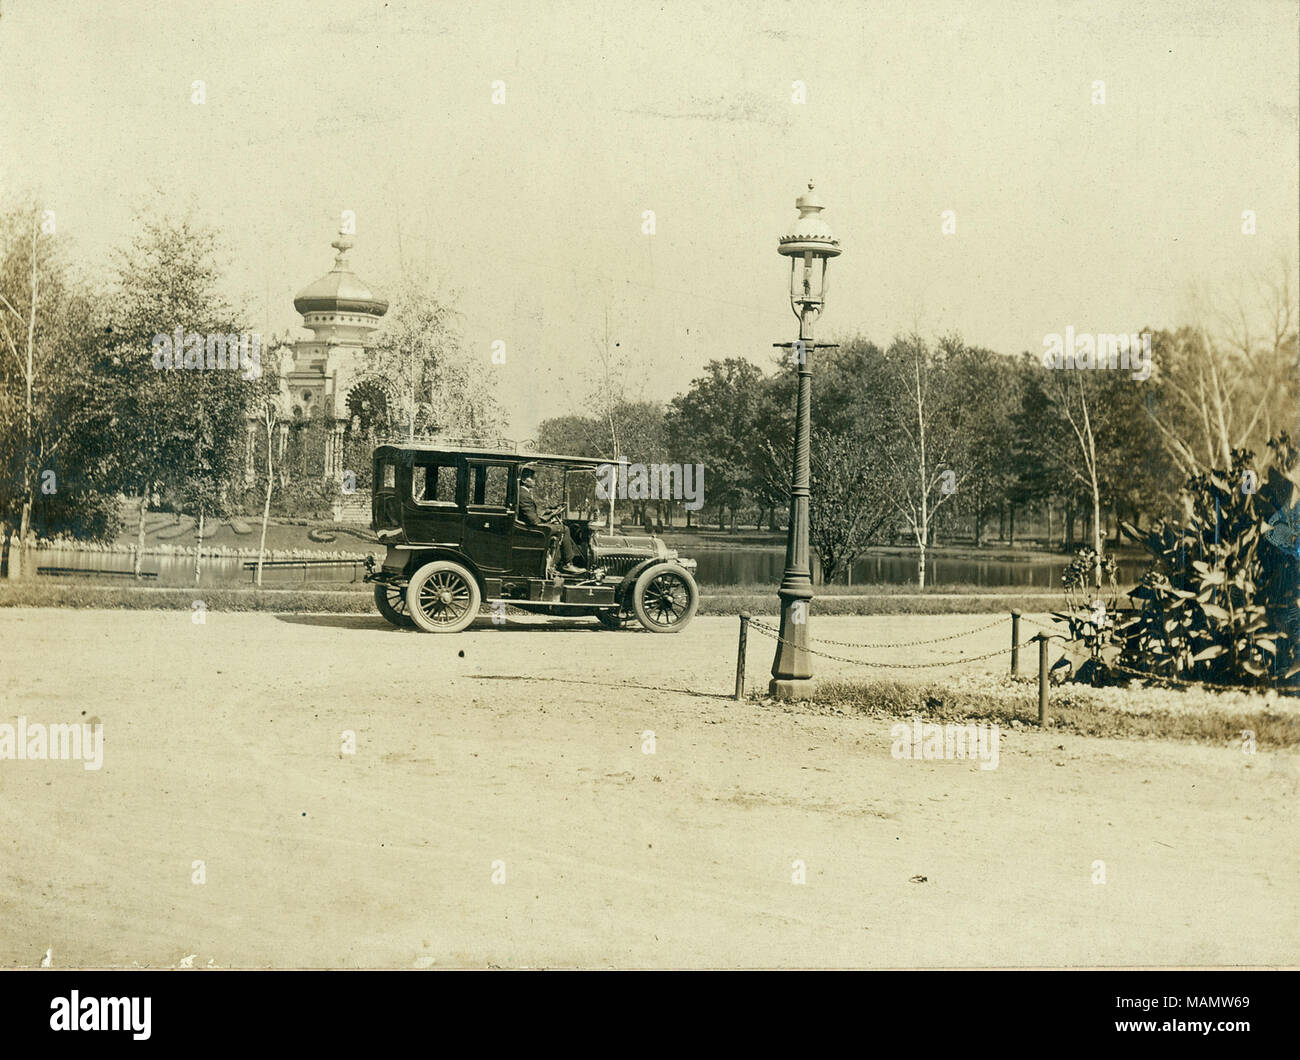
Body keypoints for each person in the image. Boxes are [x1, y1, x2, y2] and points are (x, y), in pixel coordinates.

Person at [517, 467, 584, 574]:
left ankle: (557, 561)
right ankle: (567, 564)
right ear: (524, 480)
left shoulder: (524, 493)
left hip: (530, 526)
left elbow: (533, 512)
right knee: (564, 529)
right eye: (532, 478)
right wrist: (551, 515)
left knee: (557, 525)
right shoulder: (523, 495)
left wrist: (549, 511)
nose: (535, 481)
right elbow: (534, 521)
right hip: (531, 529)